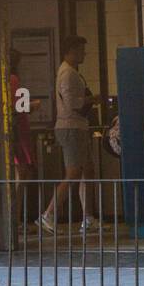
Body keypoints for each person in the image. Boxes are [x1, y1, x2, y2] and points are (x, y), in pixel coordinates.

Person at [40, 35, 99, 234]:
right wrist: (93, 99)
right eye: (80, 50)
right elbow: (73, 103)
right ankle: (48, 214)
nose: (84, 53)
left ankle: (88, 217)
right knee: (74, 172)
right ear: (70, 51)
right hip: (71, 127)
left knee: (87, 170)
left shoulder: (71, 72)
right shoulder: (67, 74)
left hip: (78, 127)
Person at [7, 49, 37, 227]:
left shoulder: (7, 80)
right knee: (22, 173)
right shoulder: (13, 80)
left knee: (21, 173)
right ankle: (14, 220)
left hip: (17, 130)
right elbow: (19, 106)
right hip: (19, 131)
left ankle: (15, 220)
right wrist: (33, 105)